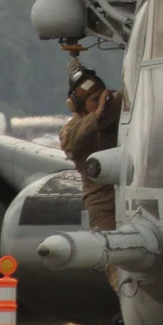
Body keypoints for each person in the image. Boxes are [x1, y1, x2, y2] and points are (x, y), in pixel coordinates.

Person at [60, 66, 121, 287]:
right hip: (102, 200)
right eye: (92, 101)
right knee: (113, 255)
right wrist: (97, 116)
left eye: (100, 97)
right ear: (79, 107)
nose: (99, 103)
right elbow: (70, 144)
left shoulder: (119, 107)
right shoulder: (73, 129)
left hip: (133, 189)